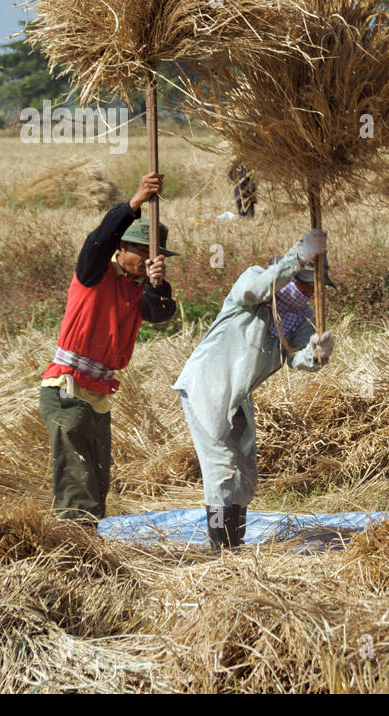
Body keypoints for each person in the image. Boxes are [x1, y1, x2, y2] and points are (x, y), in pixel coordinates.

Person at [173, 230, 335, 551]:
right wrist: (299, 255)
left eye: (314, 287)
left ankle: (237, 541)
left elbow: (298, 359)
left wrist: (318, 354)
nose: (309, 292)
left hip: (237, 397)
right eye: (305, 284)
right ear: (292, 276)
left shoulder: (300, 318)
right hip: (207, 387)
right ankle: (223, 547)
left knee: (245, 472)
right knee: (221, 469)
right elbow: (258, 289)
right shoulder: (255, 282)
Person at [40, 172, 177, 524]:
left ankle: (88, 537)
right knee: (77, 473)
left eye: (154, 254)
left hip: (99, 391)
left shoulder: (140, 288)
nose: (146, 259)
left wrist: (159, 286)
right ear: (122, 250)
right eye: (140, 251)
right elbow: (98, 241)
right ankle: (74, 544)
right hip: (67, 386)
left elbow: (158, 313)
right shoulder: (95, 274)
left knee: (98, 472)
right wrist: (134, 203)